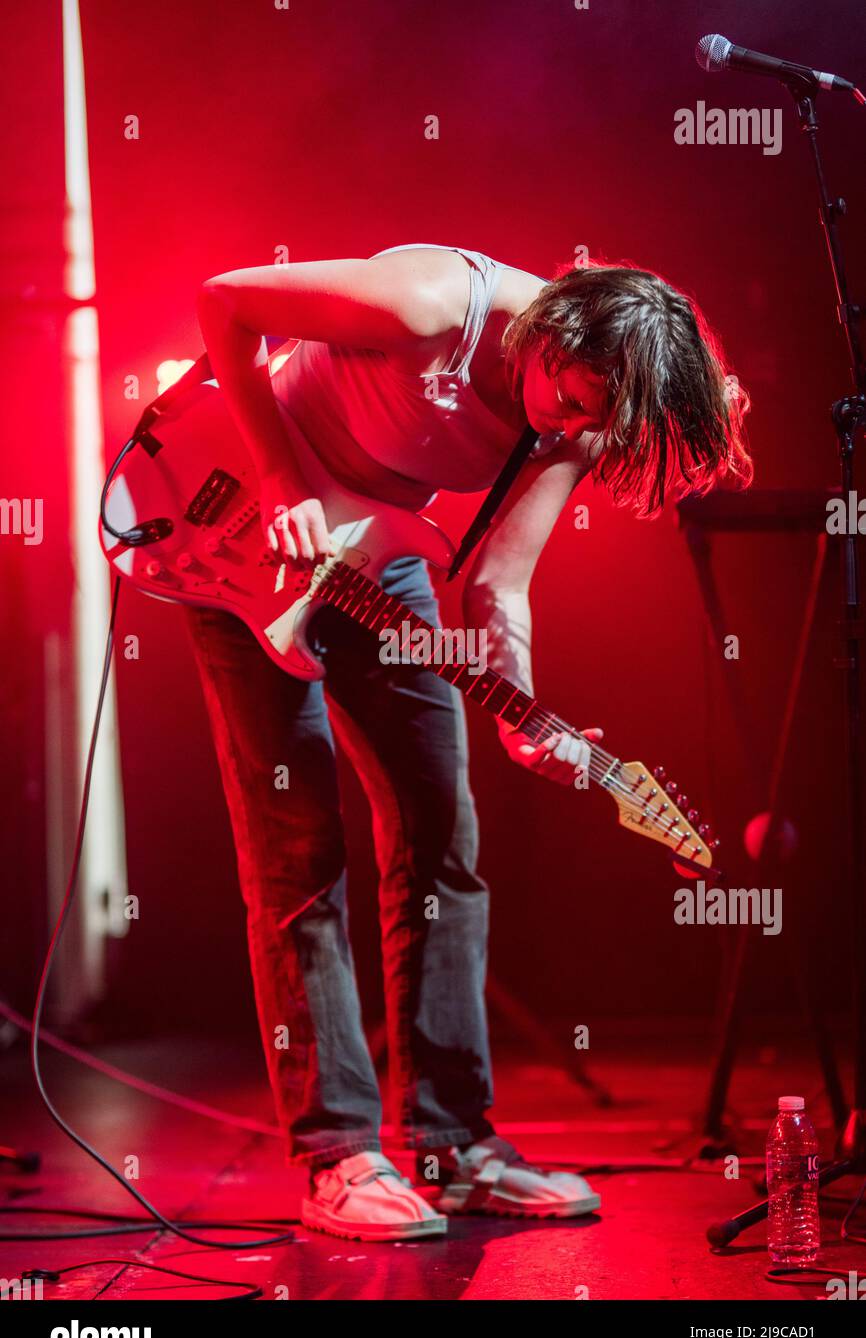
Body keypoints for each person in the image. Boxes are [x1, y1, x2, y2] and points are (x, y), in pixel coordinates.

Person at [192, 242, 751, 1241]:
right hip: (237, 522)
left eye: (590, 423)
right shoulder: (430, 301)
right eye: (567, 399)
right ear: (555, 329)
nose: (566, 426)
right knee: (299, 850)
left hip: (375, 558)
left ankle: (452, 1145)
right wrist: (281, 485)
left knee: (442, 842)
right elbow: (225, 302)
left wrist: (523, 712)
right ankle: (337, 1154)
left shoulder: (591, 409)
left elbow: (496, 579)